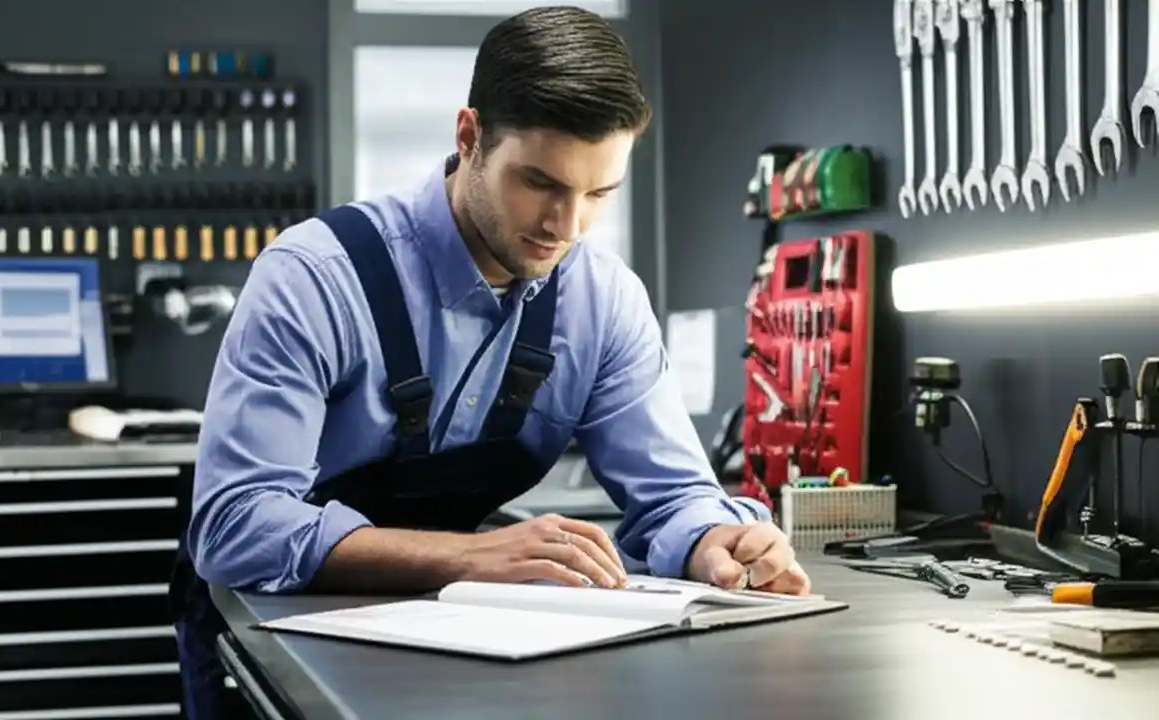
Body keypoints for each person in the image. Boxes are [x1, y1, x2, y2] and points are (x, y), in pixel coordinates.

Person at [169, 5, 810, 719]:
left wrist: (714, 541)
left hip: (466, 649)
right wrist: (467, 554)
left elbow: (673, 498)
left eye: (597, 194)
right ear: (469, 136)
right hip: (276, 646)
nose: (566, 228)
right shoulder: (313, 278)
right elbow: (236, 527)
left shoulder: (603, 302)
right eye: (540, 183)